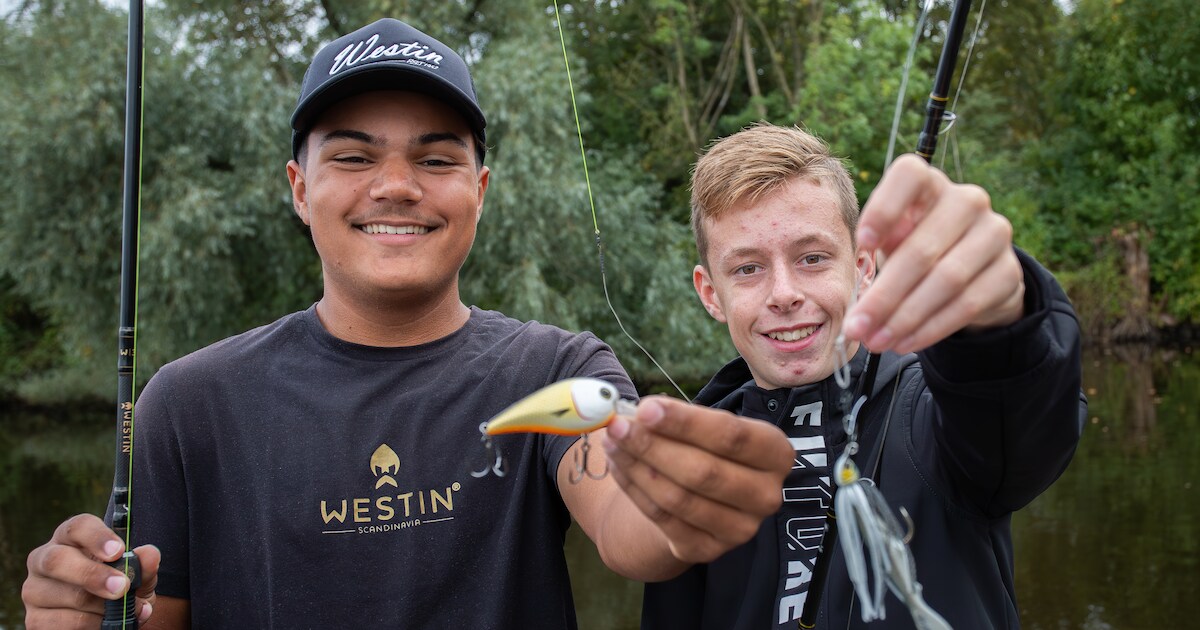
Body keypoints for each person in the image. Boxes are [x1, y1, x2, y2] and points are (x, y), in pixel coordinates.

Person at [21, 19, 795, 629]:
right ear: (299, 187)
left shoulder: (558, 371)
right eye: (354, 158)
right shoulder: (187, 404)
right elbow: (154, 617)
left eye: (435, 159)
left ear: (480, 189)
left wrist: (681, 508)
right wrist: (87, 607)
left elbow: (631, 529)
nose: (395, 186)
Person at [634, 124, 1086, 629]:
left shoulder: (937, 413)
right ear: (710, 293)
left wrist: (998, 323)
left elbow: (1018, 418)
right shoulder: (686, 458)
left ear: (864, 266)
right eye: (747, 269)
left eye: (812, 258)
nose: (783, 293)